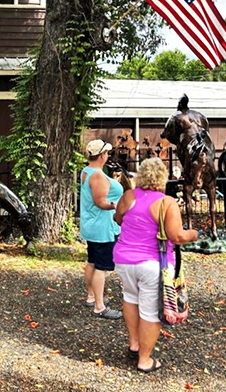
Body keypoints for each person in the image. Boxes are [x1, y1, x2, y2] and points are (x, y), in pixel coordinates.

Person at [113, 157, 198, 373]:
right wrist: (193, 234)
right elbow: (176, 235)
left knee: (130, 299)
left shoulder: (128, 196)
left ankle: (134, 344)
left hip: (124, 260)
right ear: (163, 178)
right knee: (151, 311)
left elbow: (118, 219)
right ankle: (144, 359)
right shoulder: (166, 203)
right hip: (152, 263)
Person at [79, 139, 124, 320]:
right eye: (106, 152)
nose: (108, 155)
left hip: (92, 225)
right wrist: (116, 206)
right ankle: (100, 306)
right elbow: (101, 202)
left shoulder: (86, 171)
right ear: (102, 155)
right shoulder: (97, 176)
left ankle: (91, 296)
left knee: (92, 261)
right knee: (102, 267)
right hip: (102, 228)